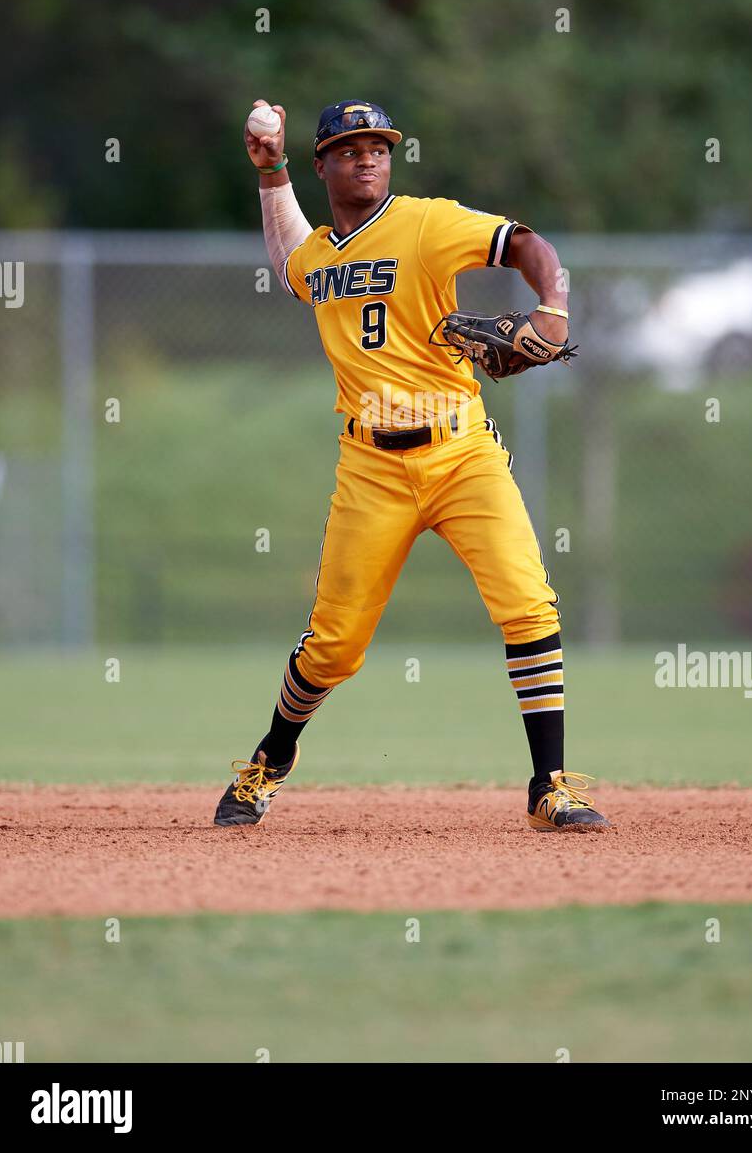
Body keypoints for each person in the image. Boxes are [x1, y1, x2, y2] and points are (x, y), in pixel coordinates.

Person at [214, 99, 610, 832]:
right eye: (351, 147)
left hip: (462, 452)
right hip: (370, 465)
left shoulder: (426, 220)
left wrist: (552, 304)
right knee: (333, 645)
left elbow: (523, 242)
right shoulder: (322, 257)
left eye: (379, 147)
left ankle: (549, 785)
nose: (368, 157)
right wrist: (268, 173)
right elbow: (291, 261)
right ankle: (271, 758)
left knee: (528, 604)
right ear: (323, 165)